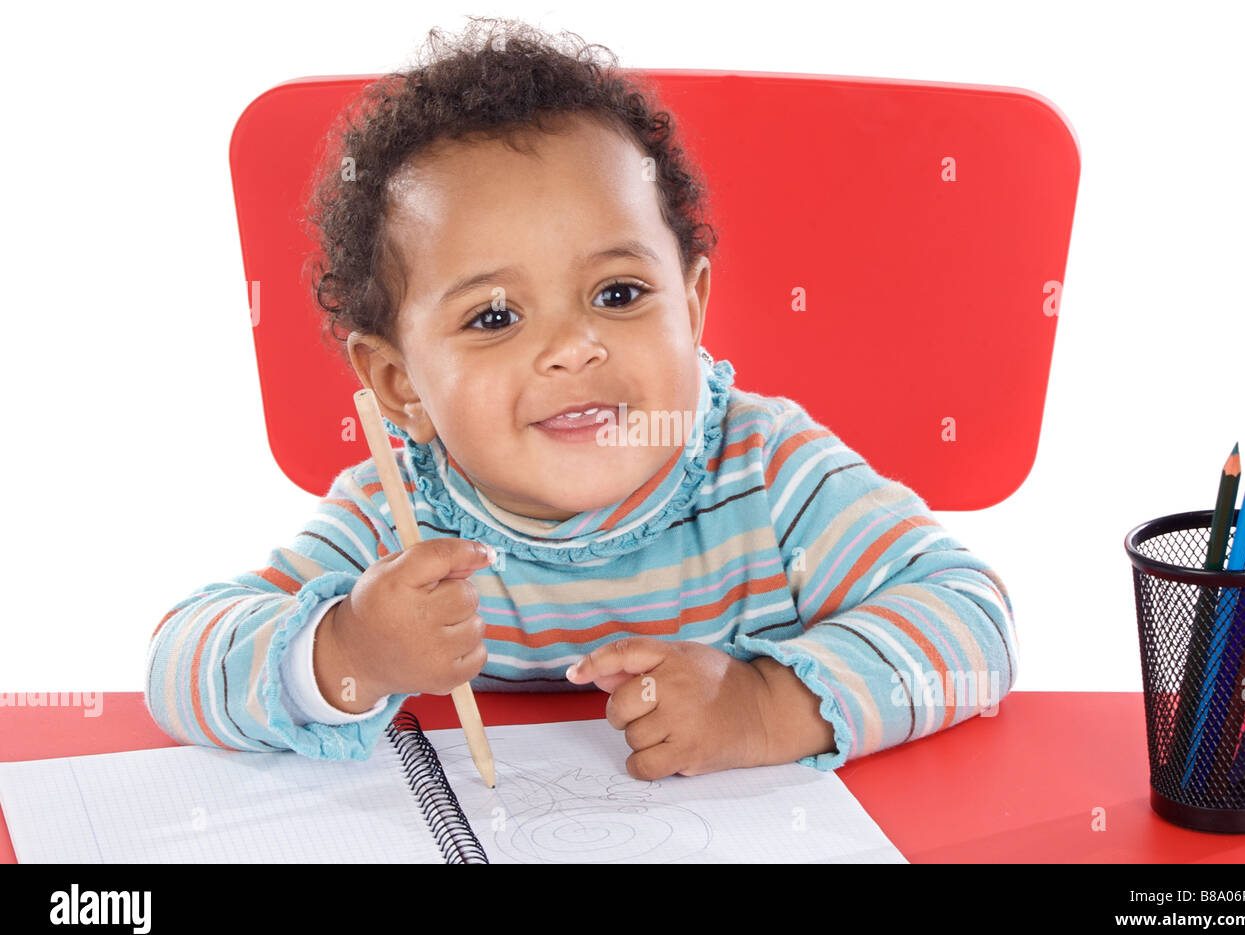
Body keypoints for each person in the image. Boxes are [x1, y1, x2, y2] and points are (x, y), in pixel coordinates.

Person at [147, 17, 1019, 781]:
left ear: (694, 306)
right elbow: (179, 666)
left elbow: (973, 625)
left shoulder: (767, 474)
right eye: (494, 316)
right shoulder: (399, 520)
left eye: (618, 294)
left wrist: (766, 705)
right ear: (398, 385)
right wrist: (348, 650)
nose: (572, 348)